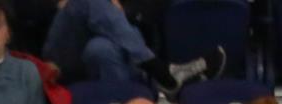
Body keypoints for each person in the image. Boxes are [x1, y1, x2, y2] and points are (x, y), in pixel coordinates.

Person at [44, 0, 218, 89]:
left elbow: (151, 9)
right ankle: (160, 71)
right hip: (65, 49)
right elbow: (28, 11)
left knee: (100, 49)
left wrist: (118, 12)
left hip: (118, 48)